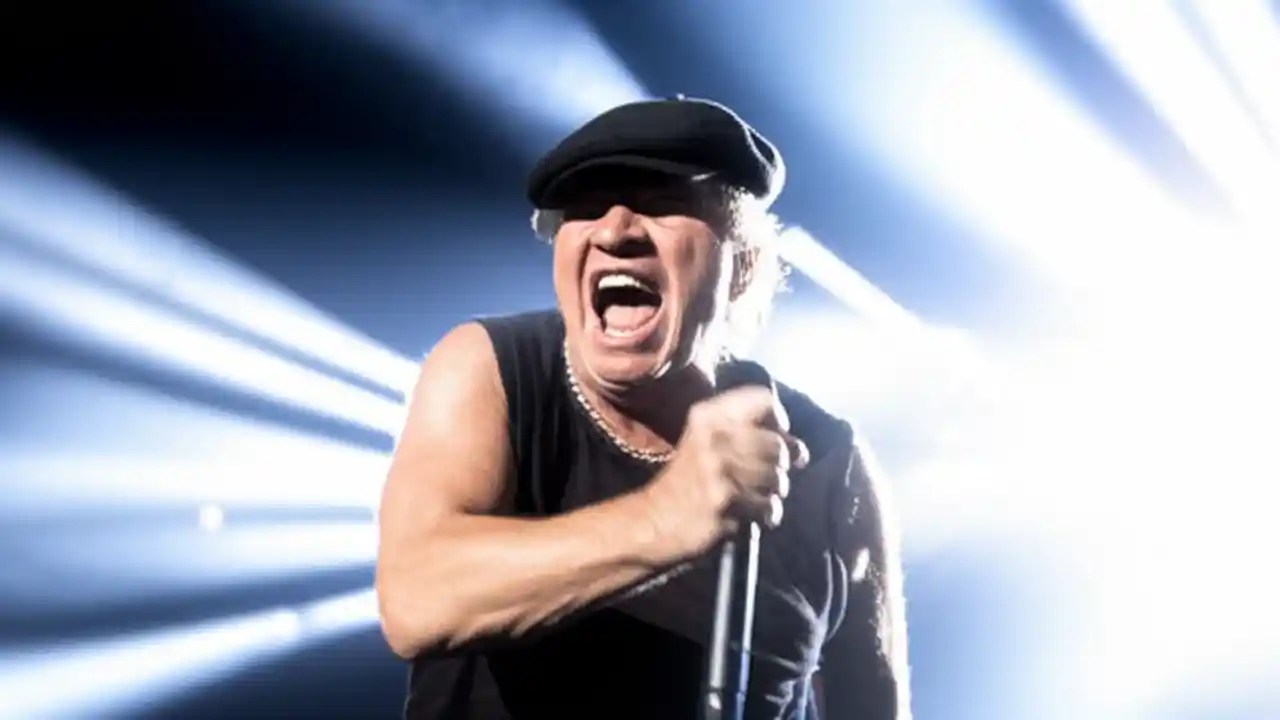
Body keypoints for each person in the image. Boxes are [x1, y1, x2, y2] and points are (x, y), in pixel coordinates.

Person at [376, 96, 910, 719]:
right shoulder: (493, 371)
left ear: (742, 264)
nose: (615, 230)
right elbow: (415, 598)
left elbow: (875, 707)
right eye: (584, 206)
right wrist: (664, 520)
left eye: (663, 200)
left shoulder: (830, 464)